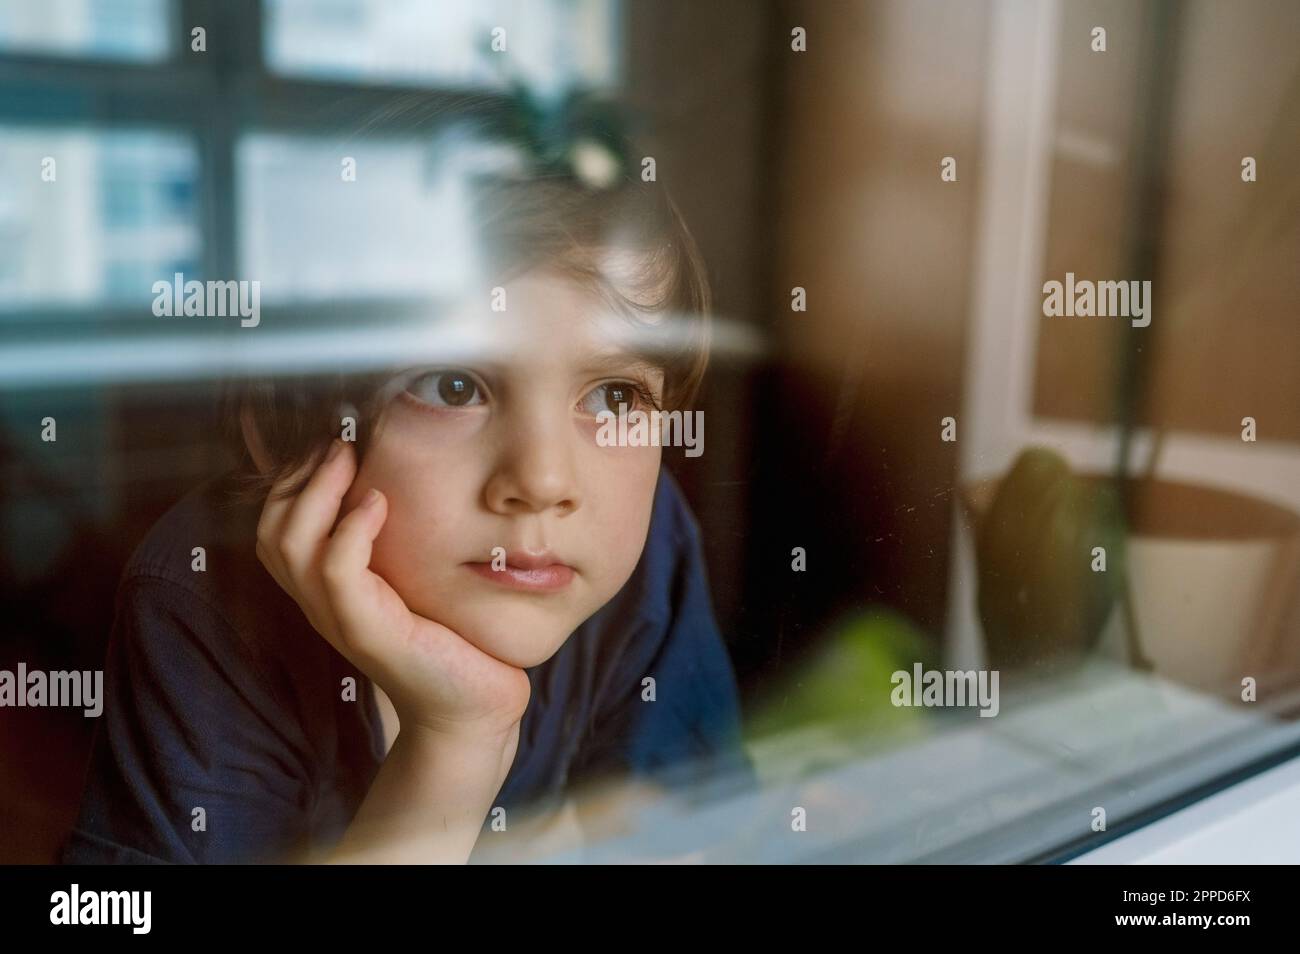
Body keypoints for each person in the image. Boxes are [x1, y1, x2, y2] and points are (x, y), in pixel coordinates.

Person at [59, 138, 756, 864]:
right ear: (283, 428)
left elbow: (698, 841)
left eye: (615, 397)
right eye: (453, 387)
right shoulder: (202, 596)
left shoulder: (646, 544)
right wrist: (460, 737)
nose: (547, 482)